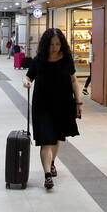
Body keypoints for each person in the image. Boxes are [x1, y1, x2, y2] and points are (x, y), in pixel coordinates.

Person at [25, 28, 82, 190]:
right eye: (51, 44)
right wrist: (26, 81)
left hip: (63, 104)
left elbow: (74, 81)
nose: (55, 47)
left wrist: (78, 101)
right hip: (42, 105)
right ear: (45, 45)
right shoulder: (39, 60)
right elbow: (29, 75)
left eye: (58, 44)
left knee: (57, 137)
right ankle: (47, 175)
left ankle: (52, 163)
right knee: (46, 140)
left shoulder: (67, 60)